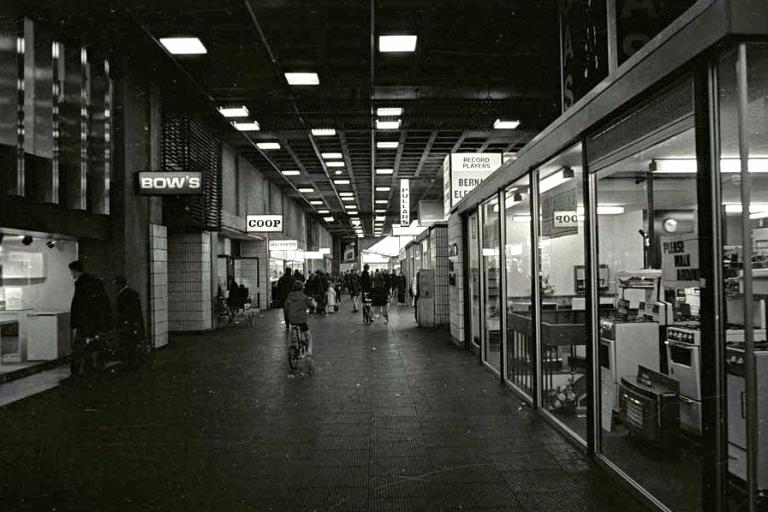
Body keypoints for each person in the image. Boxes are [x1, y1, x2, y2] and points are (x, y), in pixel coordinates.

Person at [69, 260, 112, 377]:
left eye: (71, 271)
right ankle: (92, 367)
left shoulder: (81, 283)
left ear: (74, 271)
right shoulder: (96, 282)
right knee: (92, 345)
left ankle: (76, 371)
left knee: (79, 347)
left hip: (85, 322)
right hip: (97, 322)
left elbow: (78, 304)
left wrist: (75, 322)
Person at [113, 276, 146, 368]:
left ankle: (129, 362)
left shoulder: (123, 295)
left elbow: (125, 311)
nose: (114, 287)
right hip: (133, 323)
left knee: (127, 342)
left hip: (126, 323)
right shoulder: (133, 293)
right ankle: (134, 361)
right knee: (132, 342)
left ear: (119, 285)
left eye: (115, 285)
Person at [283, 280, 315, 365]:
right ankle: (309, 352)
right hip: (302, 320)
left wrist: (288, 316)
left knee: (295, 332)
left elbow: (285, 308)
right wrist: (312, 309)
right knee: (308, 336)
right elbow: (312, 305)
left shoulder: (290, 296)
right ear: (302, 288)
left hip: (292, 320)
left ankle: (296, 347)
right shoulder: (304, 296)